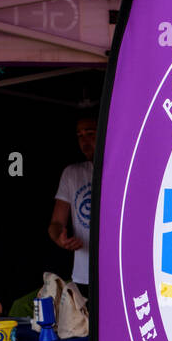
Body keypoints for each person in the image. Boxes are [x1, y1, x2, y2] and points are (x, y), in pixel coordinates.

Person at [49, 115, 96, 298]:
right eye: (80, 135)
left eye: (90, 133)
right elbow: (56, 223)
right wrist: (60, 239)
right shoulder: (72, 173)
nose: (84, 141)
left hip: (117, 270)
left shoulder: (122, 168)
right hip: (84, 274)